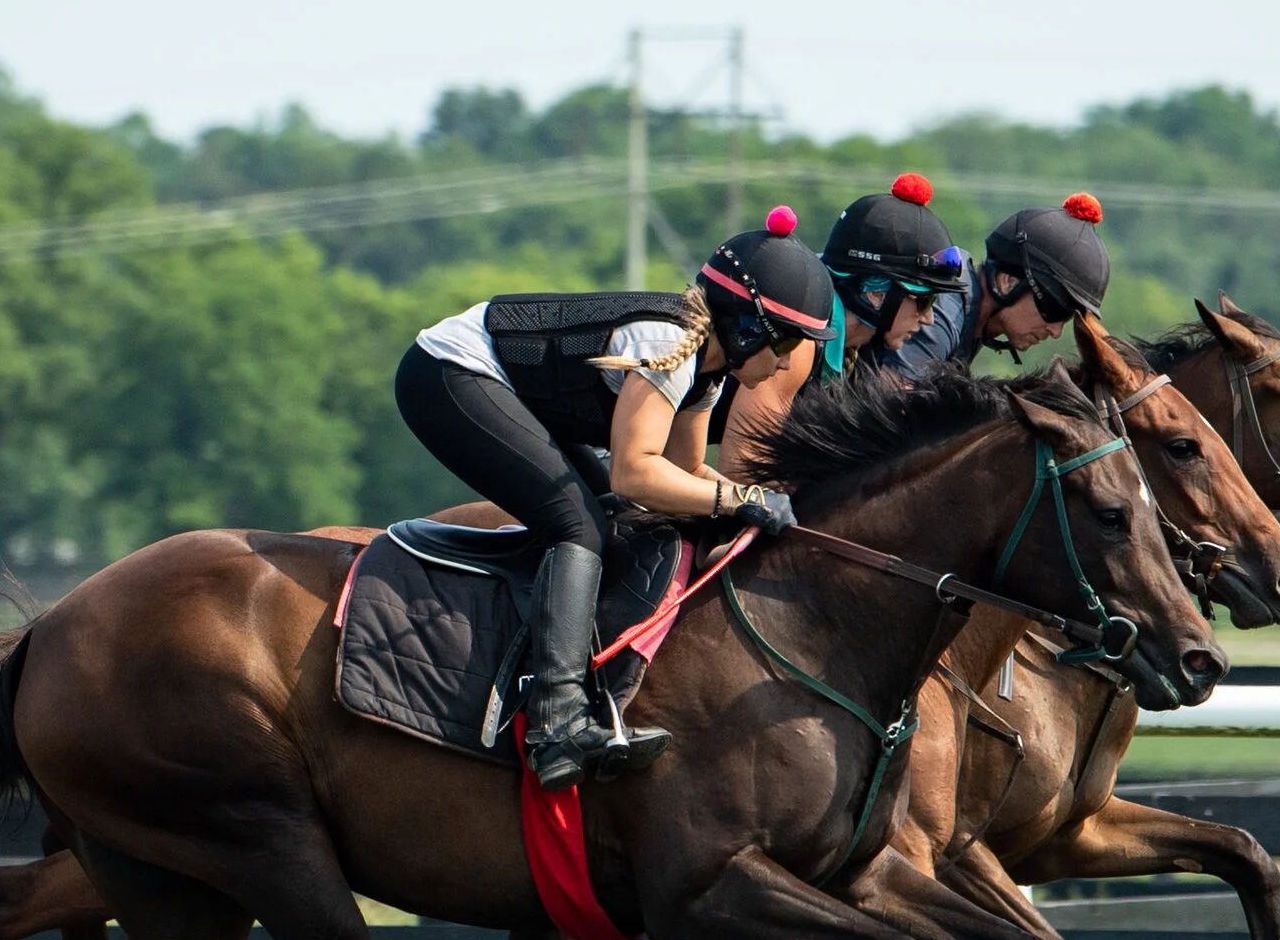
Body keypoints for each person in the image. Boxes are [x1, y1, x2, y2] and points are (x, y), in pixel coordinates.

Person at [393, 207, 835, 790]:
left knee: (609, 518)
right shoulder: (670, 342)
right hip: (448, 374)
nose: (785, 362)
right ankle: (555, 723)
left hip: (498, 383)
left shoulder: (710, 367)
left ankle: (576, 679)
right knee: (580, 528)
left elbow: (682, 471)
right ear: (747, 327)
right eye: (784, 341)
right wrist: (740, 498)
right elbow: (635, 474)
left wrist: (750, 501)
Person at [722, 179, 1113, 468]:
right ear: (1009, 282)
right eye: (1055, 311)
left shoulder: (952, 320)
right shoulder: (942, 318)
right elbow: (897, 438)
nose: (1056, 331)